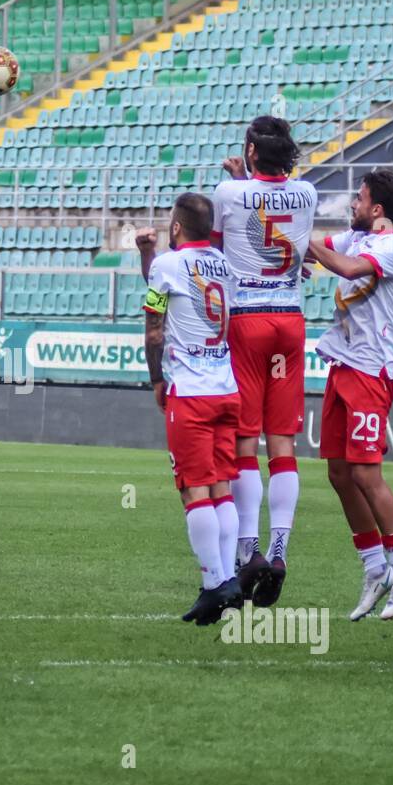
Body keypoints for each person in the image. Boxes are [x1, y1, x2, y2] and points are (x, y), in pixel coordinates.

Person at [306, 170, 393, 621]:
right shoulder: (357, 237)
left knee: (366, 473)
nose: (352, 205)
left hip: (371, 372)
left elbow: (347, 269)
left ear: (377, 209)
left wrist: (296, 233)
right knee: (339, 473)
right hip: (343, 365)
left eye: (358, 198)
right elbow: (322, 250)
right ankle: (375, 567)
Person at [212, 116, 317, 606]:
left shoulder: (227, 193)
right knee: (283, 444)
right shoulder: (308, 194)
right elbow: (268, 208)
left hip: (248, 322)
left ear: (251, 151)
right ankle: (280, 550)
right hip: (290, 323)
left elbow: (215, 246)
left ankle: (248, 549)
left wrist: (236, 181)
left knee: (242, 442)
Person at [142, 193, 243, 625]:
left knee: (192, 490)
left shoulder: (167, 265)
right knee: (221, 486)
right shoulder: (225, 263)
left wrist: (156, 379)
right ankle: (226, 583)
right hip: (225, 388)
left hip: (192, 393)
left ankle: (214, 582)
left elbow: (153, 330)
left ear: (177, 226)